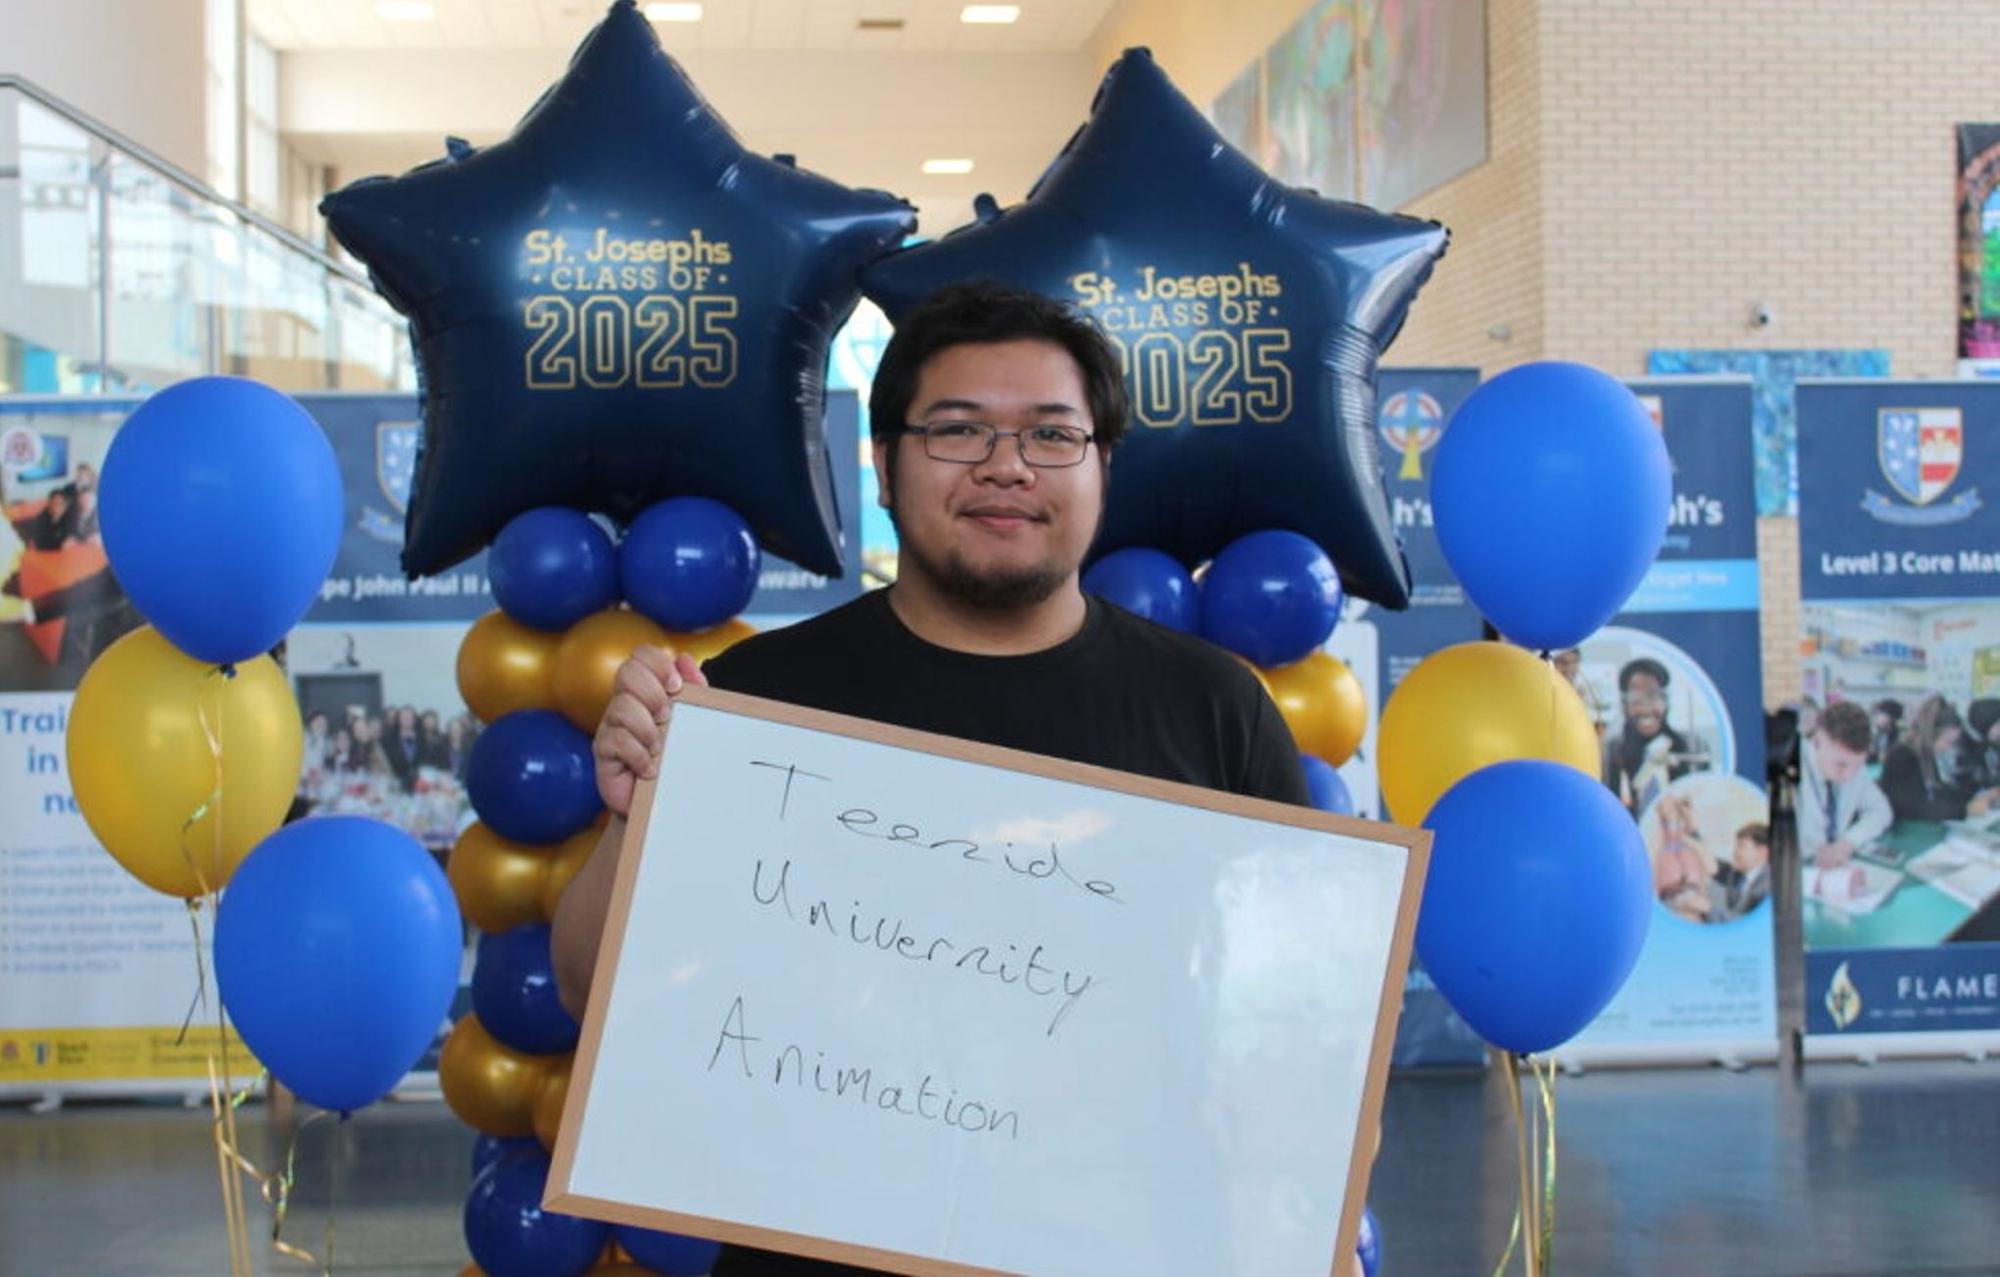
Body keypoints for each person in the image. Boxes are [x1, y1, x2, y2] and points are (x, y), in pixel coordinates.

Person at [551, 282, 1328, 1277]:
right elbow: (588, 987)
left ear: (1101, 466)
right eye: (957, 432)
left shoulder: (1215, 707)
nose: (1006, 466)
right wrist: (635, 811)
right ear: (881, 464)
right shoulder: (752, 703)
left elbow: (1298, 1025)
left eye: (1051, 435)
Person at [1796, 700, 1892, 868]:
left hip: (1832, 870)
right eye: (1840, 764)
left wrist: (1847, 844)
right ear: (1818, 742)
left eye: (1858, 765)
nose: (1848, 775)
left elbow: (1882, 810)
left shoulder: (1854, 770)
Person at [1879, 695, 2000, 824]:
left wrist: (1971, 800)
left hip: (1916, 825)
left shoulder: (1926, 756)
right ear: (1932, 734)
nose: (1948, 748)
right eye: (1948, 742)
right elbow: (1914, 806)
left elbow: (1938, 791)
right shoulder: (1902, 756)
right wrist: (1964, 809)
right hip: (1900, 827)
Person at [1602, 657, 1693, 816]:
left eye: (1653, 696)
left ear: (1665, 701)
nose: (1645, 708)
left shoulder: (1686, 747)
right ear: (1625, 704)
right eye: (1636, 699)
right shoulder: (1612, 750)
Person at [1710, 823, 1770, 921]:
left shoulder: (1767, 887)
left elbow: (1747, 925)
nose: (1734, 852)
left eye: (1741, 846)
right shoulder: (1741, 876)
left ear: (1762, 852)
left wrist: (1708, 908)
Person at [1868, 698, 1904, 766]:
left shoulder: (1900, 737)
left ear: (1891, 717)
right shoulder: (1877, 734)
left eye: (1879, 714)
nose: (1876, 717)